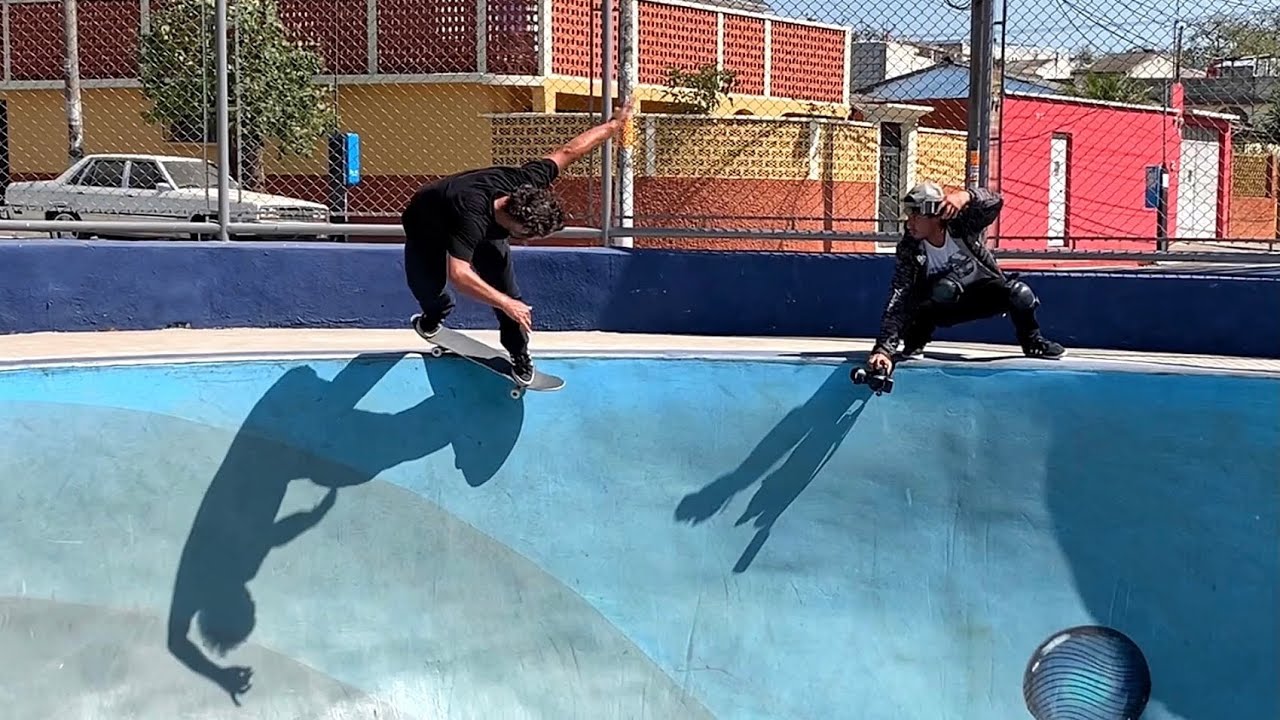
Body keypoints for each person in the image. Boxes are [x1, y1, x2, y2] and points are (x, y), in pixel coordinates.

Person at [401, 97, 636, 386]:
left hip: (486, 230)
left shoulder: (528, 180)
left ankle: (519, 353)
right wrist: (506, 304)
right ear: (515, 220)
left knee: (511, 296)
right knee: (429, 288)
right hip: (427, 226)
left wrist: (612, 126)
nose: (525, 242)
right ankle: (435, 315)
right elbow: (459, 274)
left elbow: (569, 151)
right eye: (526, 235)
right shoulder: (470, 214)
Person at [868, 181, 1065, 376]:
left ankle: (1032, 341)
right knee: (939, 288)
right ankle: (915, 342)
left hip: (982, 296)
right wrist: (884, 350)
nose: (909, 223)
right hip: (942, 306)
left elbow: (996, 202)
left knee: (1019, 292)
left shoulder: (962, 226)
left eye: (916, 216)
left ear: (936, 216)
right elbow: (899, 293)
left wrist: (965, 196)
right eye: (908, 216)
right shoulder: (910, 247)